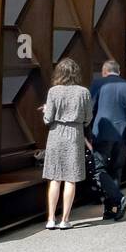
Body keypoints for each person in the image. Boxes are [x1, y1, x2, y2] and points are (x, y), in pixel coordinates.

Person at [41, 58, 92, 230]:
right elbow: (87, 118)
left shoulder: (53, 91)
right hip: (75, 135)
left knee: (55, 178)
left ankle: (50, 219)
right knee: (71, 178)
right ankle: (65, 219)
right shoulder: (84, 92)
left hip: (56, 134)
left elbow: (48, 118)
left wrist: (46, 111)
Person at [89, 59, 126, 221]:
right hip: (122, 134)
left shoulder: (98, 84)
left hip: (102, 133)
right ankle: (111, 209)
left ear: (104, 72)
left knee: (99, 170)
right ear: (119, 72)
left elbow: (90, 109)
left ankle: (119, 199)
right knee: (116, 170)